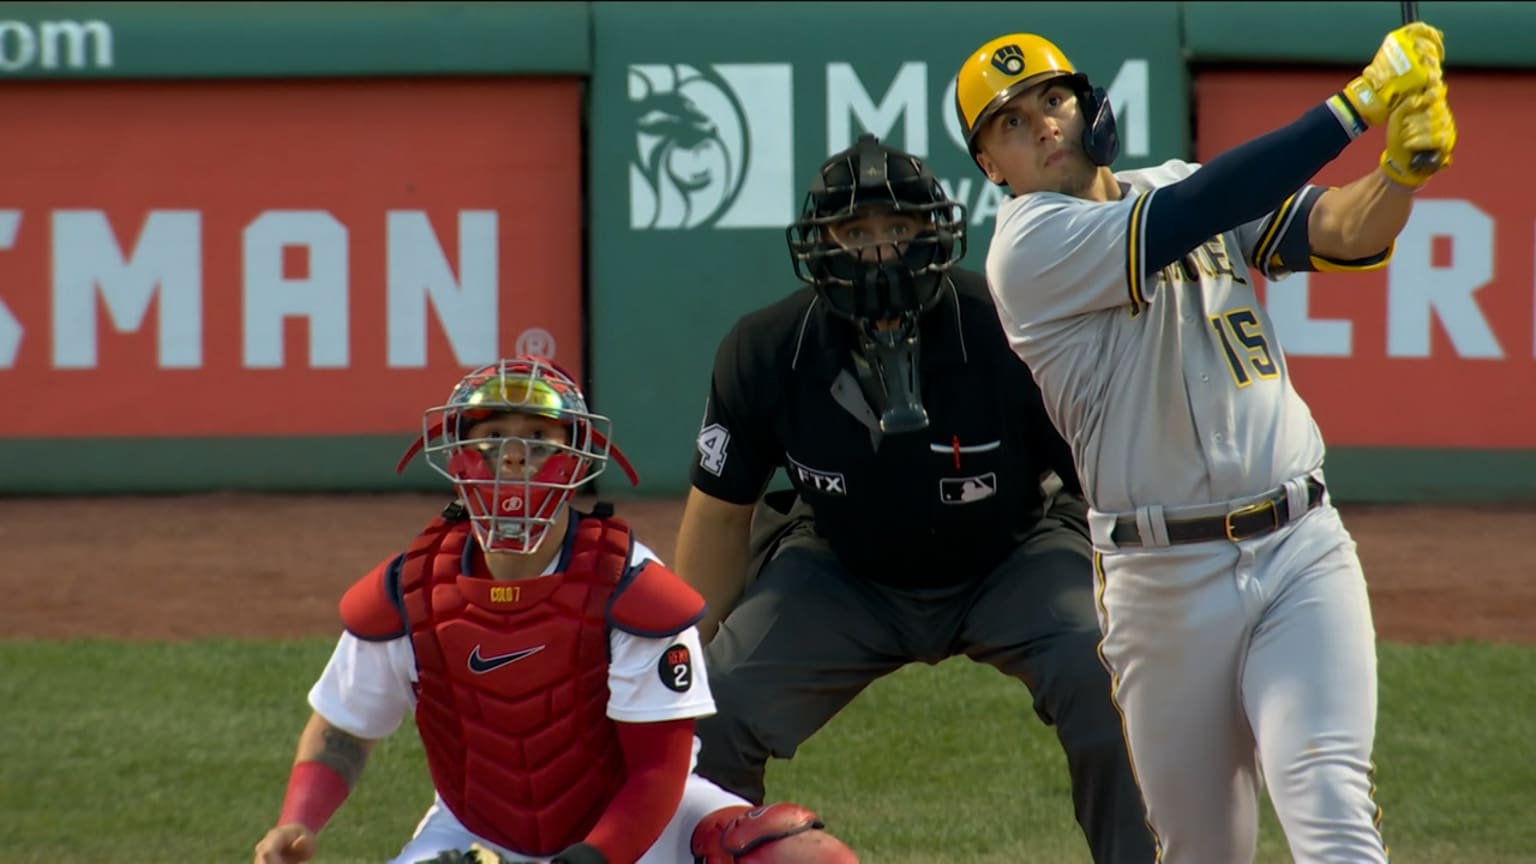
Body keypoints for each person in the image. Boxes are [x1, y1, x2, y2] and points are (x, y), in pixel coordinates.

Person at [953, 24, 1457, 864]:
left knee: (1330, 806)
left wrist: (1400, 175)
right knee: (1202, 851)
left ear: (1088, 106)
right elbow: (1194, 214)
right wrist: (1357, 106)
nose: (1040, 124)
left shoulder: (1176, 183)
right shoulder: (1028, 246)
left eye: (1051, 99)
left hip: (1300, 545)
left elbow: (1337, 228)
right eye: (1008, 123)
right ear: (991, 169)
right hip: (1162, 583)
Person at [674, 133, 1158, 863]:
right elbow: (718, 512)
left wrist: (1157, 615)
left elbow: (1106, 483)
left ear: (936, 233)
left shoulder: (1011, 327)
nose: (879, 251)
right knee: (716, 707)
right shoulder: (767, 349)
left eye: (898, 229)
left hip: (1013, 552)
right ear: (820, 243)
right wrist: (679, 671)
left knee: (1111, 674)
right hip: (842, 567)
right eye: (856, 232)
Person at [252, 355, 858, 864]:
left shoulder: (631, 588)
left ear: (574, 460)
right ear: (459, 454)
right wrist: (297, 821)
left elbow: (657, 775)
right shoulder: (410, 592)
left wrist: (591, 858)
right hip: (475, 834)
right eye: (492, 438)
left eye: (538, 440)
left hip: (643, 826)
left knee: (804, 858)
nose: (513, 458)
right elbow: (343, 729)